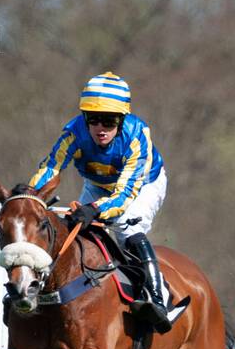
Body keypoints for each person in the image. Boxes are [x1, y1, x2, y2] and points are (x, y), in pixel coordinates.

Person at [28, 72, 181, 332]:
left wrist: (94, 210)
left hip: (142, 186)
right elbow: (51, 167)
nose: (101, 128)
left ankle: (158, 298)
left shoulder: (136, 136)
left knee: (127, 227)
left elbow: (123, 196)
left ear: (121, 120)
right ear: (84, 118)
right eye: (94, 119)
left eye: (109, 121)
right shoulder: (73, 133)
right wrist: (30, 197)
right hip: (98, 184)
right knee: (73, 231)